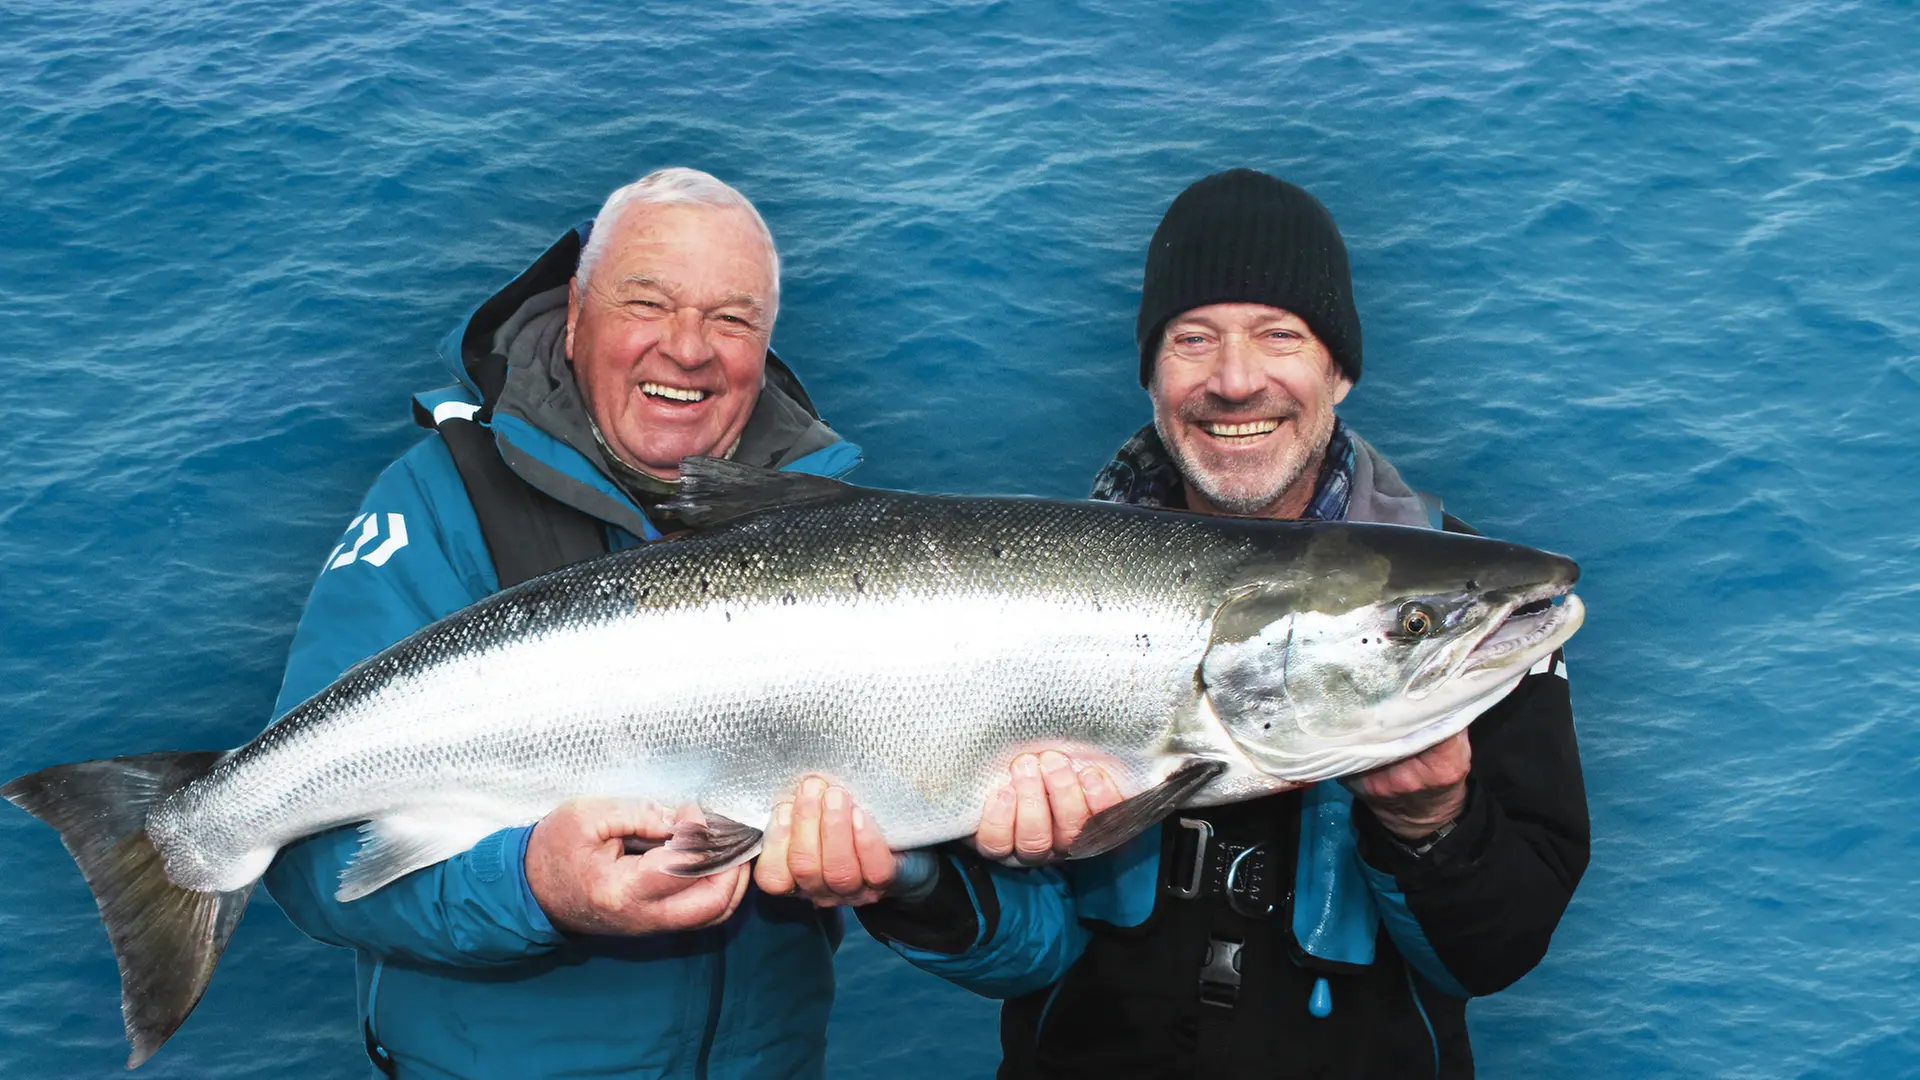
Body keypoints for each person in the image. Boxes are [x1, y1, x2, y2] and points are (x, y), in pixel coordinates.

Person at [759, 168, 1589, 1078]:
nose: (1236, 381)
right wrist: (911, 880)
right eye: (1194, 339)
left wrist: (1437, 825)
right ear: (1152, 375)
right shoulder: (1028, 613)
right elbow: (1027, 958)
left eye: (1281, 335)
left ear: (1339, 369)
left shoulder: (1453, 613)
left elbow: (1494, 955)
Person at [264, 167, 863, 1078]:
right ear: (576, 319)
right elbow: (305, 858)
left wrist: (914, 881)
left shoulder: (841, 537)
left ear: (767, 342)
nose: (689, 349)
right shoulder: (436, 506)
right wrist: (532, 888)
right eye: (647, 302)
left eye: (731, 319)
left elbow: (1010, 930)